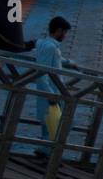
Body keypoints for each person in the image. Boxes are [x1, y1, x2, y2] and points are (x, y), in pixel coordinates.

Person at [32, 16, 79, 147]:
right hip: (53, 90)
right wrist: (50, 94)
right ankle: (46, 152)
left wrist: (69, 63)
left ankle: (44, 150)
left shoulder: (43, 43)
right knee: (66, 122)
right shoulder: (50, 47)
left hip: (51, 91)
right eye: (64, 32)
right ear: (59, 30)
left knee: (49, 123)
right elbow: (42, 72)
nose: (65, 36)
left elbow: (56, 59)